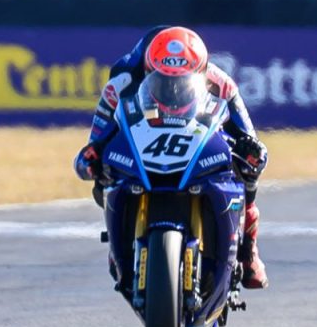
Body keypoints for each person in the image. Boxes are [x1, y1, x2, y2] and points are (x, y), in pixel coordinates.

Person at [73, 26, 271, 290]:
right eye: (164, 80)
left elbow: (251, 139)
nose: (173, 89)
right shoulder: (120, 83)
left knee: (248, 170)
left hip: (195, 134)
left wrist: (251, 151)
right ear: (148, 70)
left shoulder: (221, 83)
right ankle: (120, 242)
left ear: (200, 73)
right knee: (103, 175)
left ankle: (248, 252)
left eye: (181, 81)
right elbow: (97, 139)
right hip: (146, 136)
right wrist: (92, 156)